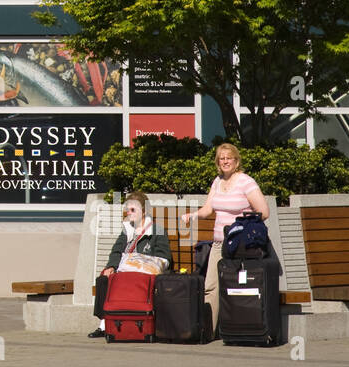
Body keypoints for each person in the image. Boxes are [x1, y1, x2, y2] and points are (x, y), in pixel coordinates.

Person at [180, 142, 270, 337]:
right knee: (210, 286)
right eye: (221, 159)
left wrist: (241, 224)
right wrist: (192, 216)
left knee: (239, 286)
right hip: (219, 243)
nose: (225, 161)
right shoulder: (218, 182)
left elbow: (264, 211)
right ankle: (208, 331)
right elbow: (208, 209)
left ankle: (242, 328)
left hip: (241, 245)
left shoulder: (246, 181)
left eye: (229, 158)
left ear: (236, 161)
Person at [89, 191, 172, 337]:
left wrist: (140, 261)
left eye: (133, 209)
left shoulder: (157, 231)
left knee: (122, 281)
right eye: (128, 209)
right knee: (103, 279)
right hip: (123, 271)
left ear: (144, 211)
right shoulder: (127, 230)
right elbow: (116, 251)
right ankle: (104, 324)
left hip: (143, 274)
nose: (129, 212)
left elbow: (164, 258)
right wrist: (111, 267)